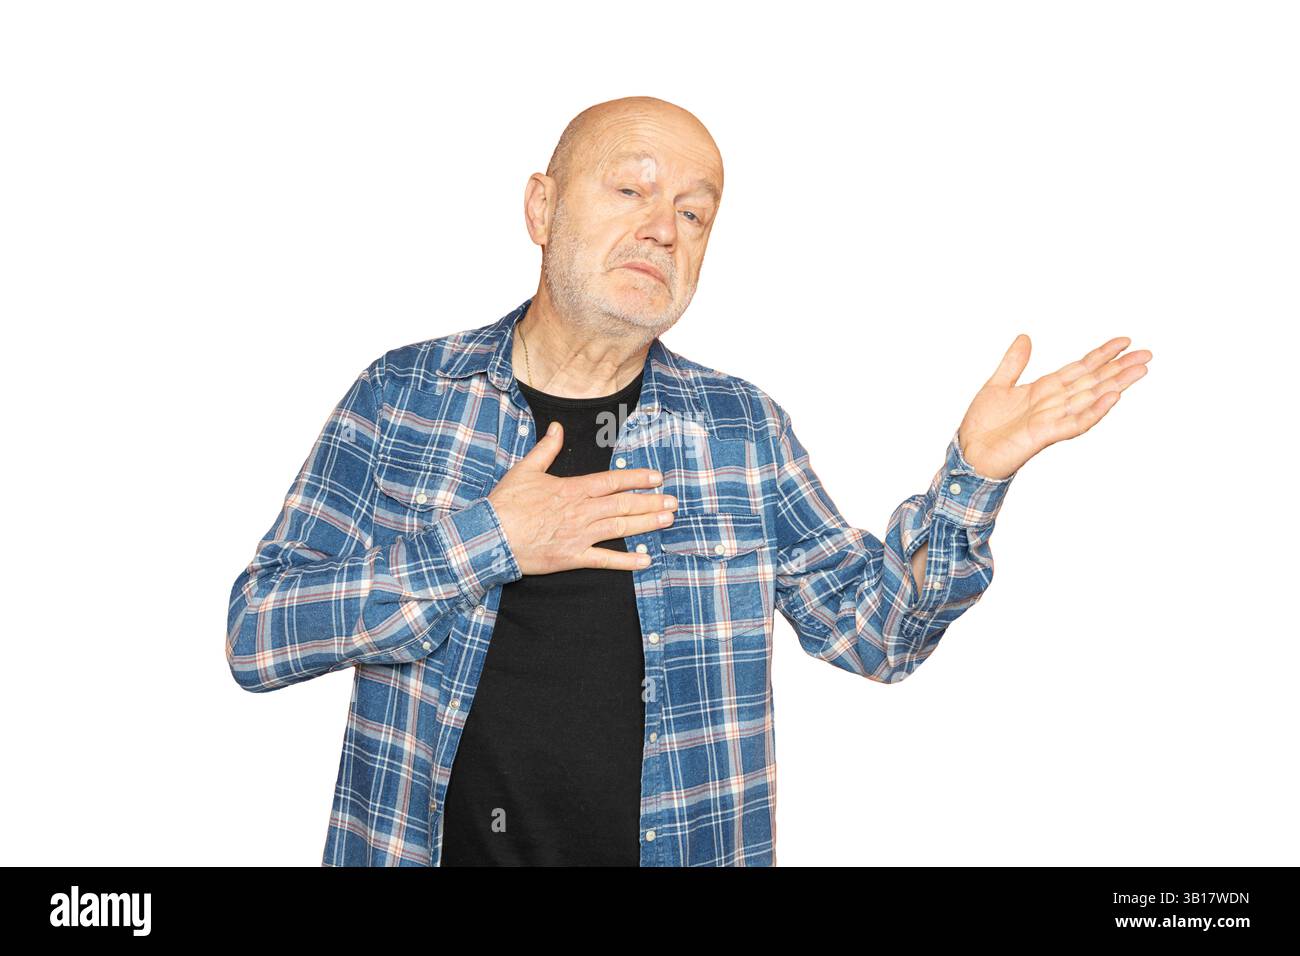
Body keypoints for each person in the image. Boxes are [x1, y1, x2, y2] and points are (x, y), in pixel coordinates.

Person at [225, 95, 1152, 866]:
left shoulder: (740, 431)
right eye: (630, 187)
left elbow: (880, 637)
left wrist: (973, 477)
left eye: (695, 212)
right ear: (541, 209)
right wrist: (488, 543)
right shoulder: (403, 397)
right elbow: (258, 635)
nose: (662, 227)